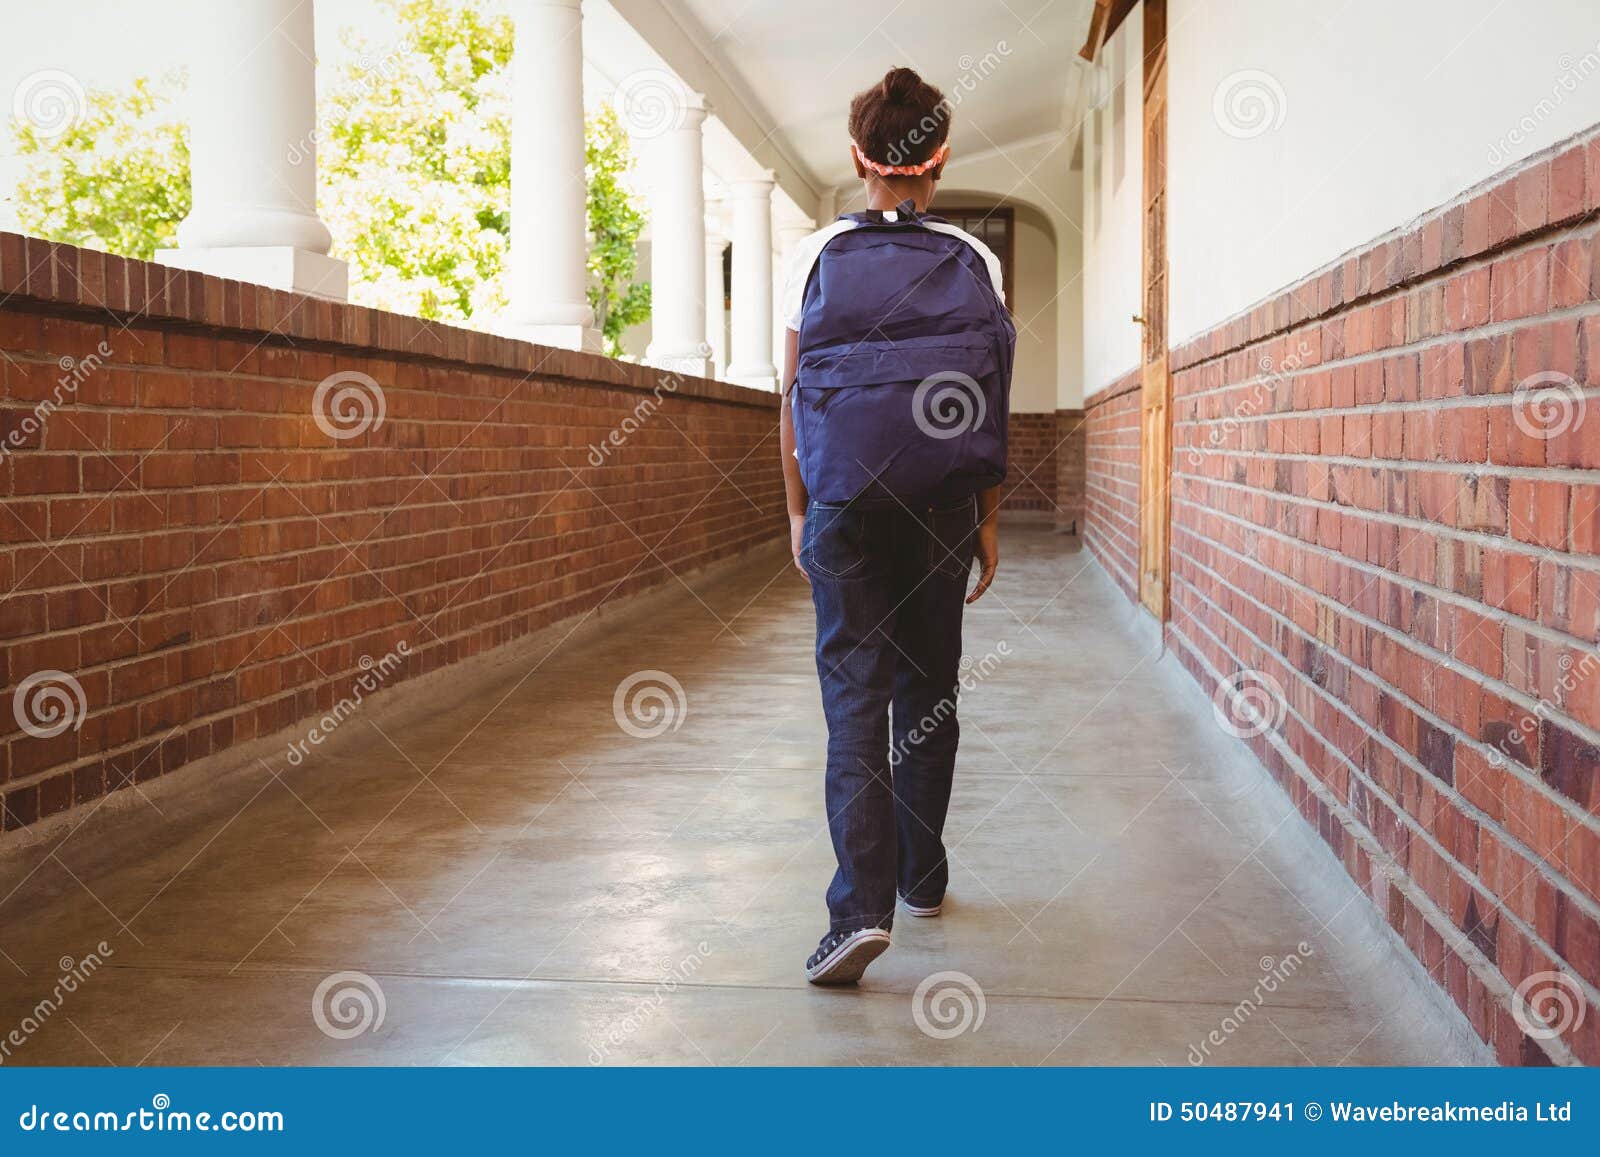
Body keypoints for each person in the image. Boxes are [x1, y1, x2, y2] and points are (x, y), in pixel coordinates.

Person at [778, 66, 1016, 985]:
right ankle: (922, 875)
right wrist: (987, 522)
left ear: (858, 159)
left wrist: (799, 511)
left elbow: (790, 396)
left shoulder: (811, 252)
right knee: (931, 685)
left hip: (843, 500)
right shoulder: (977, 258)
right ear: (939, 158)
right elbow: (992, 398)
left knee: (854, 699)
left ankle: (856, 912)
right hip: (942, 502)